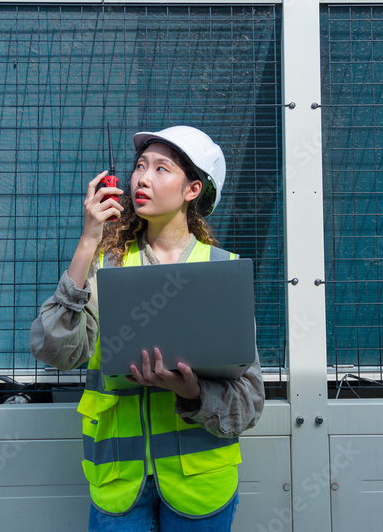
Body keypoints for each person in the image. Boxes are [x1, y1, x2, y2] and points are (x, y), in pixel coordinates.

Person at [31, 125, 265, 531]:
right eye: (140, 166)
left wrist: (192, 393)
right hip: (119, 481)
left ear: (193, 189)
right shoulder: (106, 266)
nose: (142, 177)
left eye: (161, 169)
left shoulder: (221, 270)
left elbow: (250, 400)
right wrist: (89, 241)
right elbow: (54, 351)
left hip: (200, 485)